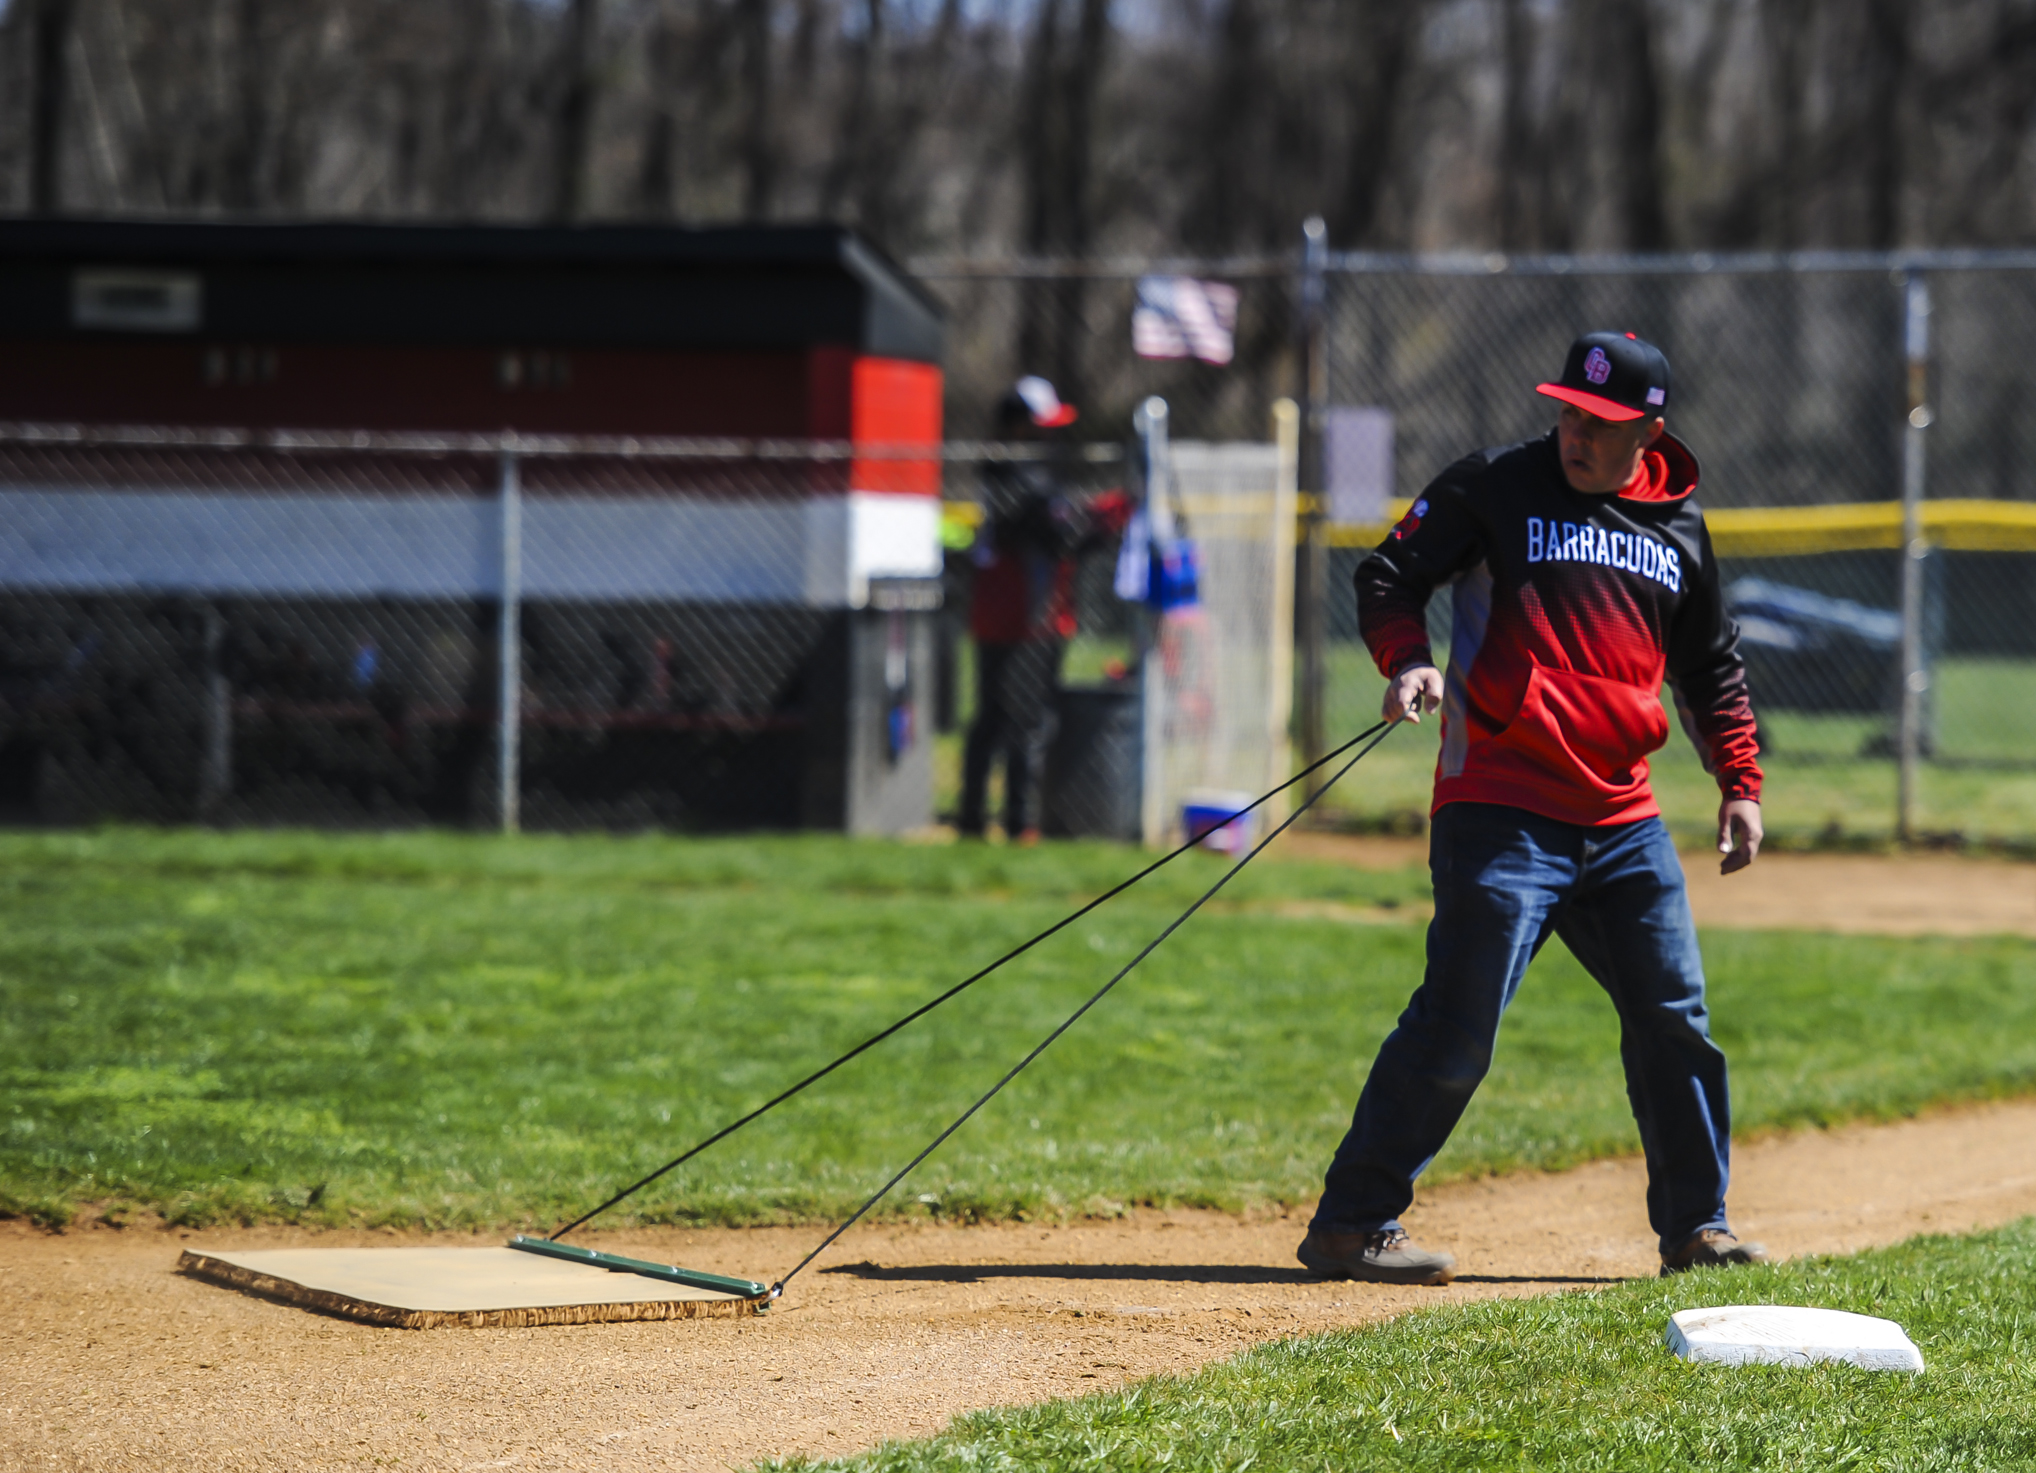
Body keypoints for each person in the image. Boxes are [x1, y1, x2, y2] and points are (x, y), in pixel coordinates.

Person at [1298, 331, 1769, 1286]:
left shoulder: (1679, 530)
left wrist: (1740, 783)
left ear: (1649, 428)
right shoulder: (1497, 485)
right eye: (1566, 411)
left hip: (1624, 819)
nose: (1575, 434)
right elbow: (1390, 575)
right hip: (1501, 802)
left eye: (1599, 421)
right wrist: (1409, 660)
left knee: (1674, 1019)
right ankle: (1352, 1223)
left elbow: (1711, 664)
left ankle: (1697, 1228)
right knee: (1460, 1024)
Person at [959, 376, 1126, 842]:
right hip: (1027, 617)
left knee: (996, 719)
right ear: (1017, 426)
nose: (1047, 435)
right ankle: (1017, 824)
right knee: (1023, 722)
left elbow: (1062, 527)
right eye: (1037, 427)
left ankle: (975, 821)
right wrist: (1106, 517)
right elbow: (1064, 536)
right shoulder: (1016, 474)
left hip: (1002, 613)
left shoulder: (1010, 471)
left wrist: (1092, 517)